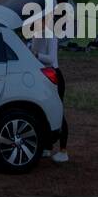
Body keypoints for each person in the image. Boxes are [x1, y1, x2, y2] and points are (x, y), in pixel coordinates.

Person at [30, 16, 69, 163]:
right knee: (43, 111)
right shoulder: (36, 33)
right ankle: (47, 147)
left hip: (54, 74)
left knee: (59, 112)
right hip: (42, 75)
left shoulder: (50, 33)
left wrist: (35, 55)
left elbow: (51, 59)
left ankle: (63, 150)